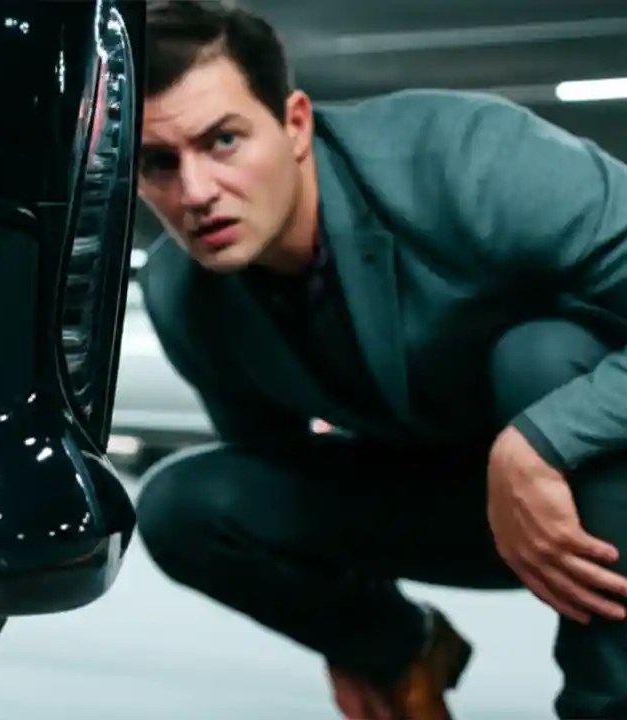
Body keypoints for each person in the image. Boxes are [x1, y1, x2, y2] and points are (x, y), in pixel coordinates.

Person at [131, 1, 627, 719]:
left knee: (542, 358)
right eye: (159, 163)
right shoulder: (186, 294)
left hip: (595, 478)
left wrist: (542, 441)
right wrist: (354, 639)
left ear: (295, 123)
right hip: (470, 505)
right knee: (187, 507)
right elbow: (283, 469)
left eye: (224, 141)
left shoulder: (467, 157)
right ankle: (409, 649)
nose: (197, 193)